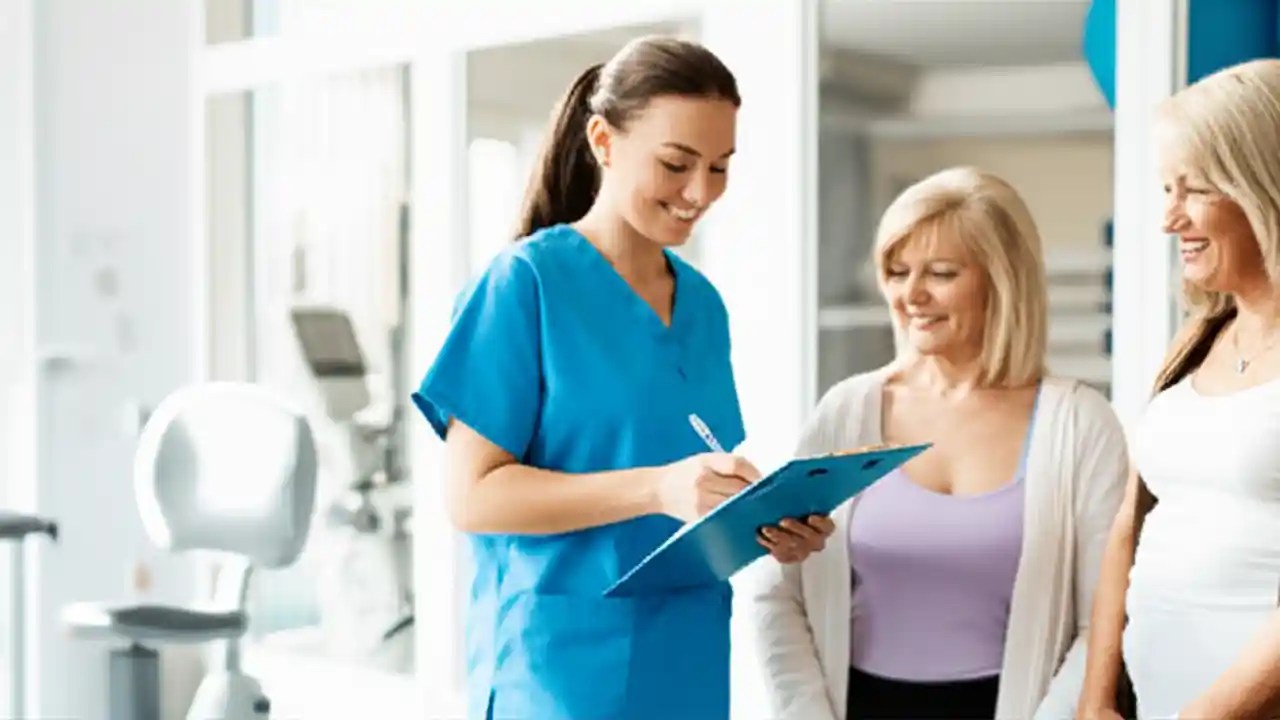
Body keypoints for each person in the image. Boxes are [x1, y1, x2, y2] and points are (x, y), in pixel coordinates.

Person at [411, 36, 834, 720]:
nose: (701, 193)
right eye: (676, 163)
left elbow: (681, 494)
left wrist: (757, 521)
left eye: (720, 167)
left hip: (686, 653)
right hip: (561, 671)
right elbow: (472, 496)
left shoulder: (701, 305)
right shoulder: (526, 285)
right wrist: (659, 487)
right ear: (604, 141)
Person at [749, 167, 1129, 720]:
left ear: (1002, 279)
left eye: (942, 273)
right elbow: (779, 594)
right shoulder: (848, 410)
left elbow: (1103, 618)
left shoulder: (1080, 426)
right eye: (897, 272)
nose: (911, 295)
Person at [1077, 58, 1280, 720]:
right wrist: (1096, 697)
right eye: (1167, 189)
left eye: (1192, 190)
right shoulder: (1196, 341)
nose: (1170, 219)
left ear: (1261, 185)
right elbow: (1126, 530)